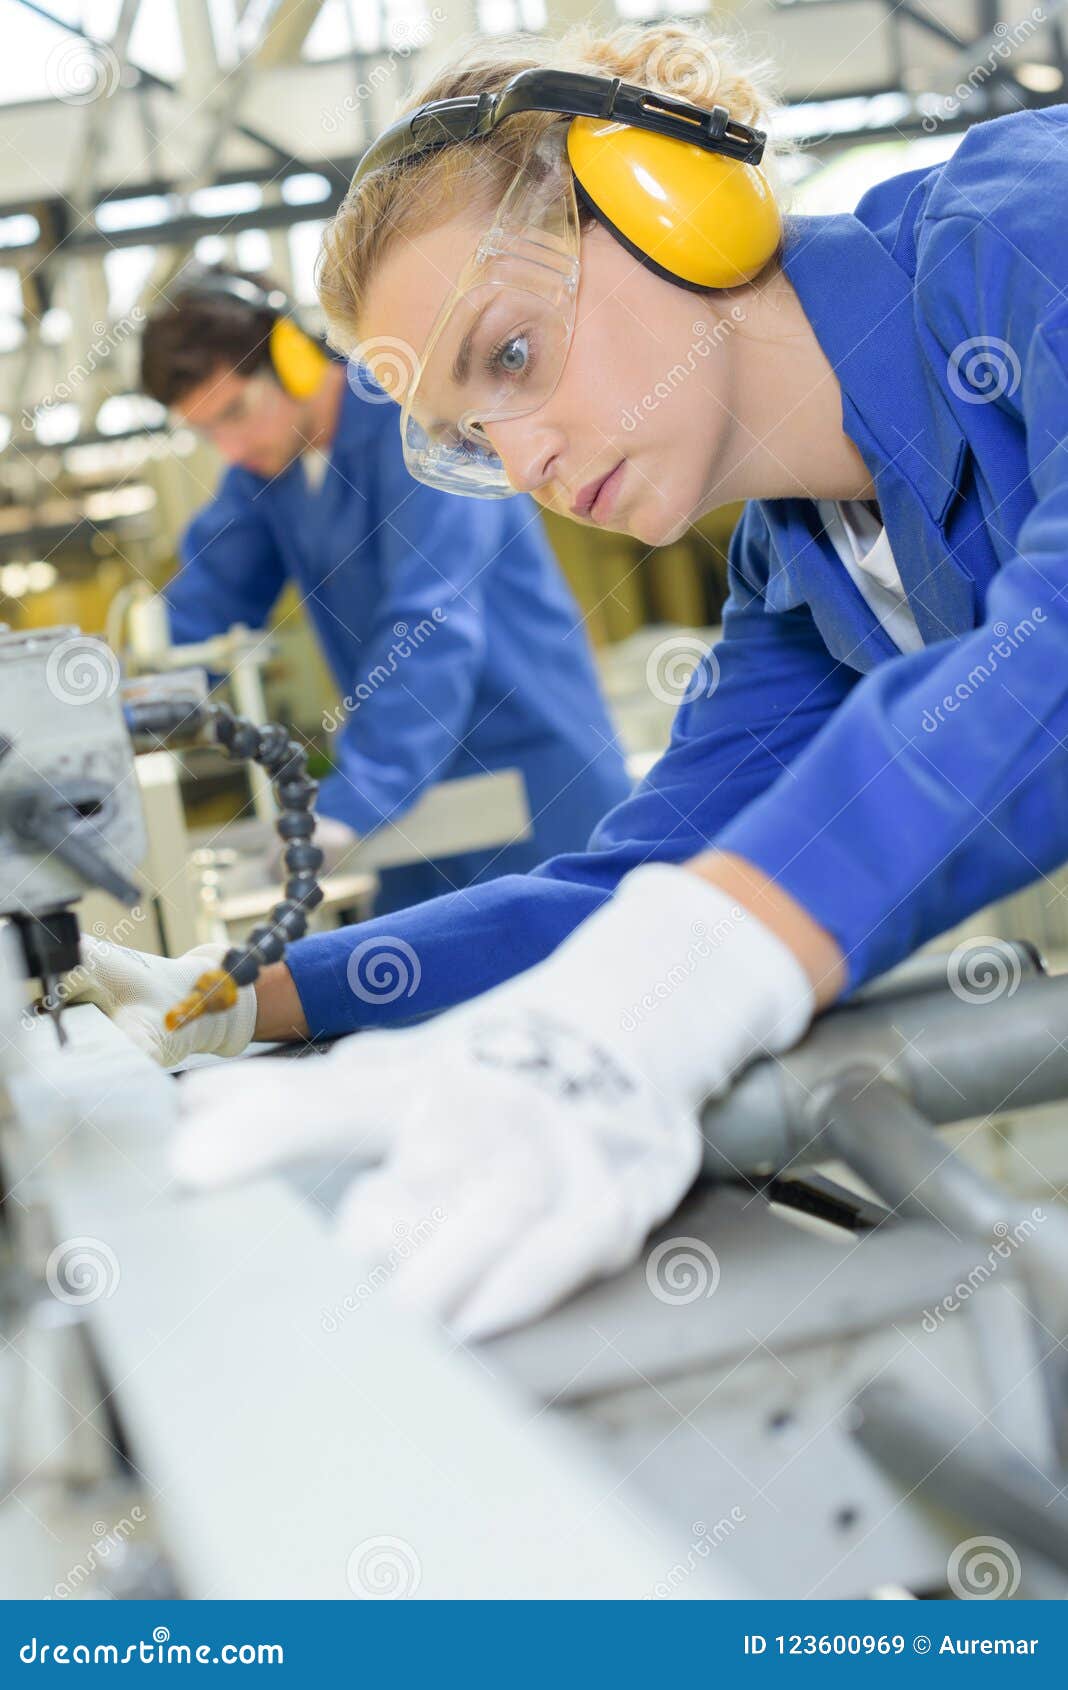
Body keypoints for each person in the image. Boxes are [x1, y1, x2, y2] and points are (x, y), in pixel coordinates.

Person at [81, 21, 1068, 1339]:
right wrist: (247, 991)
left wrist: (697, 978)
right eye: (475, 436)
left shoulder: (1027, 231)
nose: (529, 456)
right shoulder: (804, 567)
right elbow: (634, 880)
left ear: (682, 206)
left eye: (515, 355)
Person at [139, 267, 629, 911]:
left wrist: (352, 800)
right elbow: (200, 609)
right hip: (405, 804)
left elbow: (431, 623)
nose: (230, 447)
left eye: (236, 412)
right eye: (208, 432)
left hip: (531, 781)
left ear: (294, 359)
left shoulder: (421, 424)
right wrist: (106, 715)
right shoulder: (269, 475)